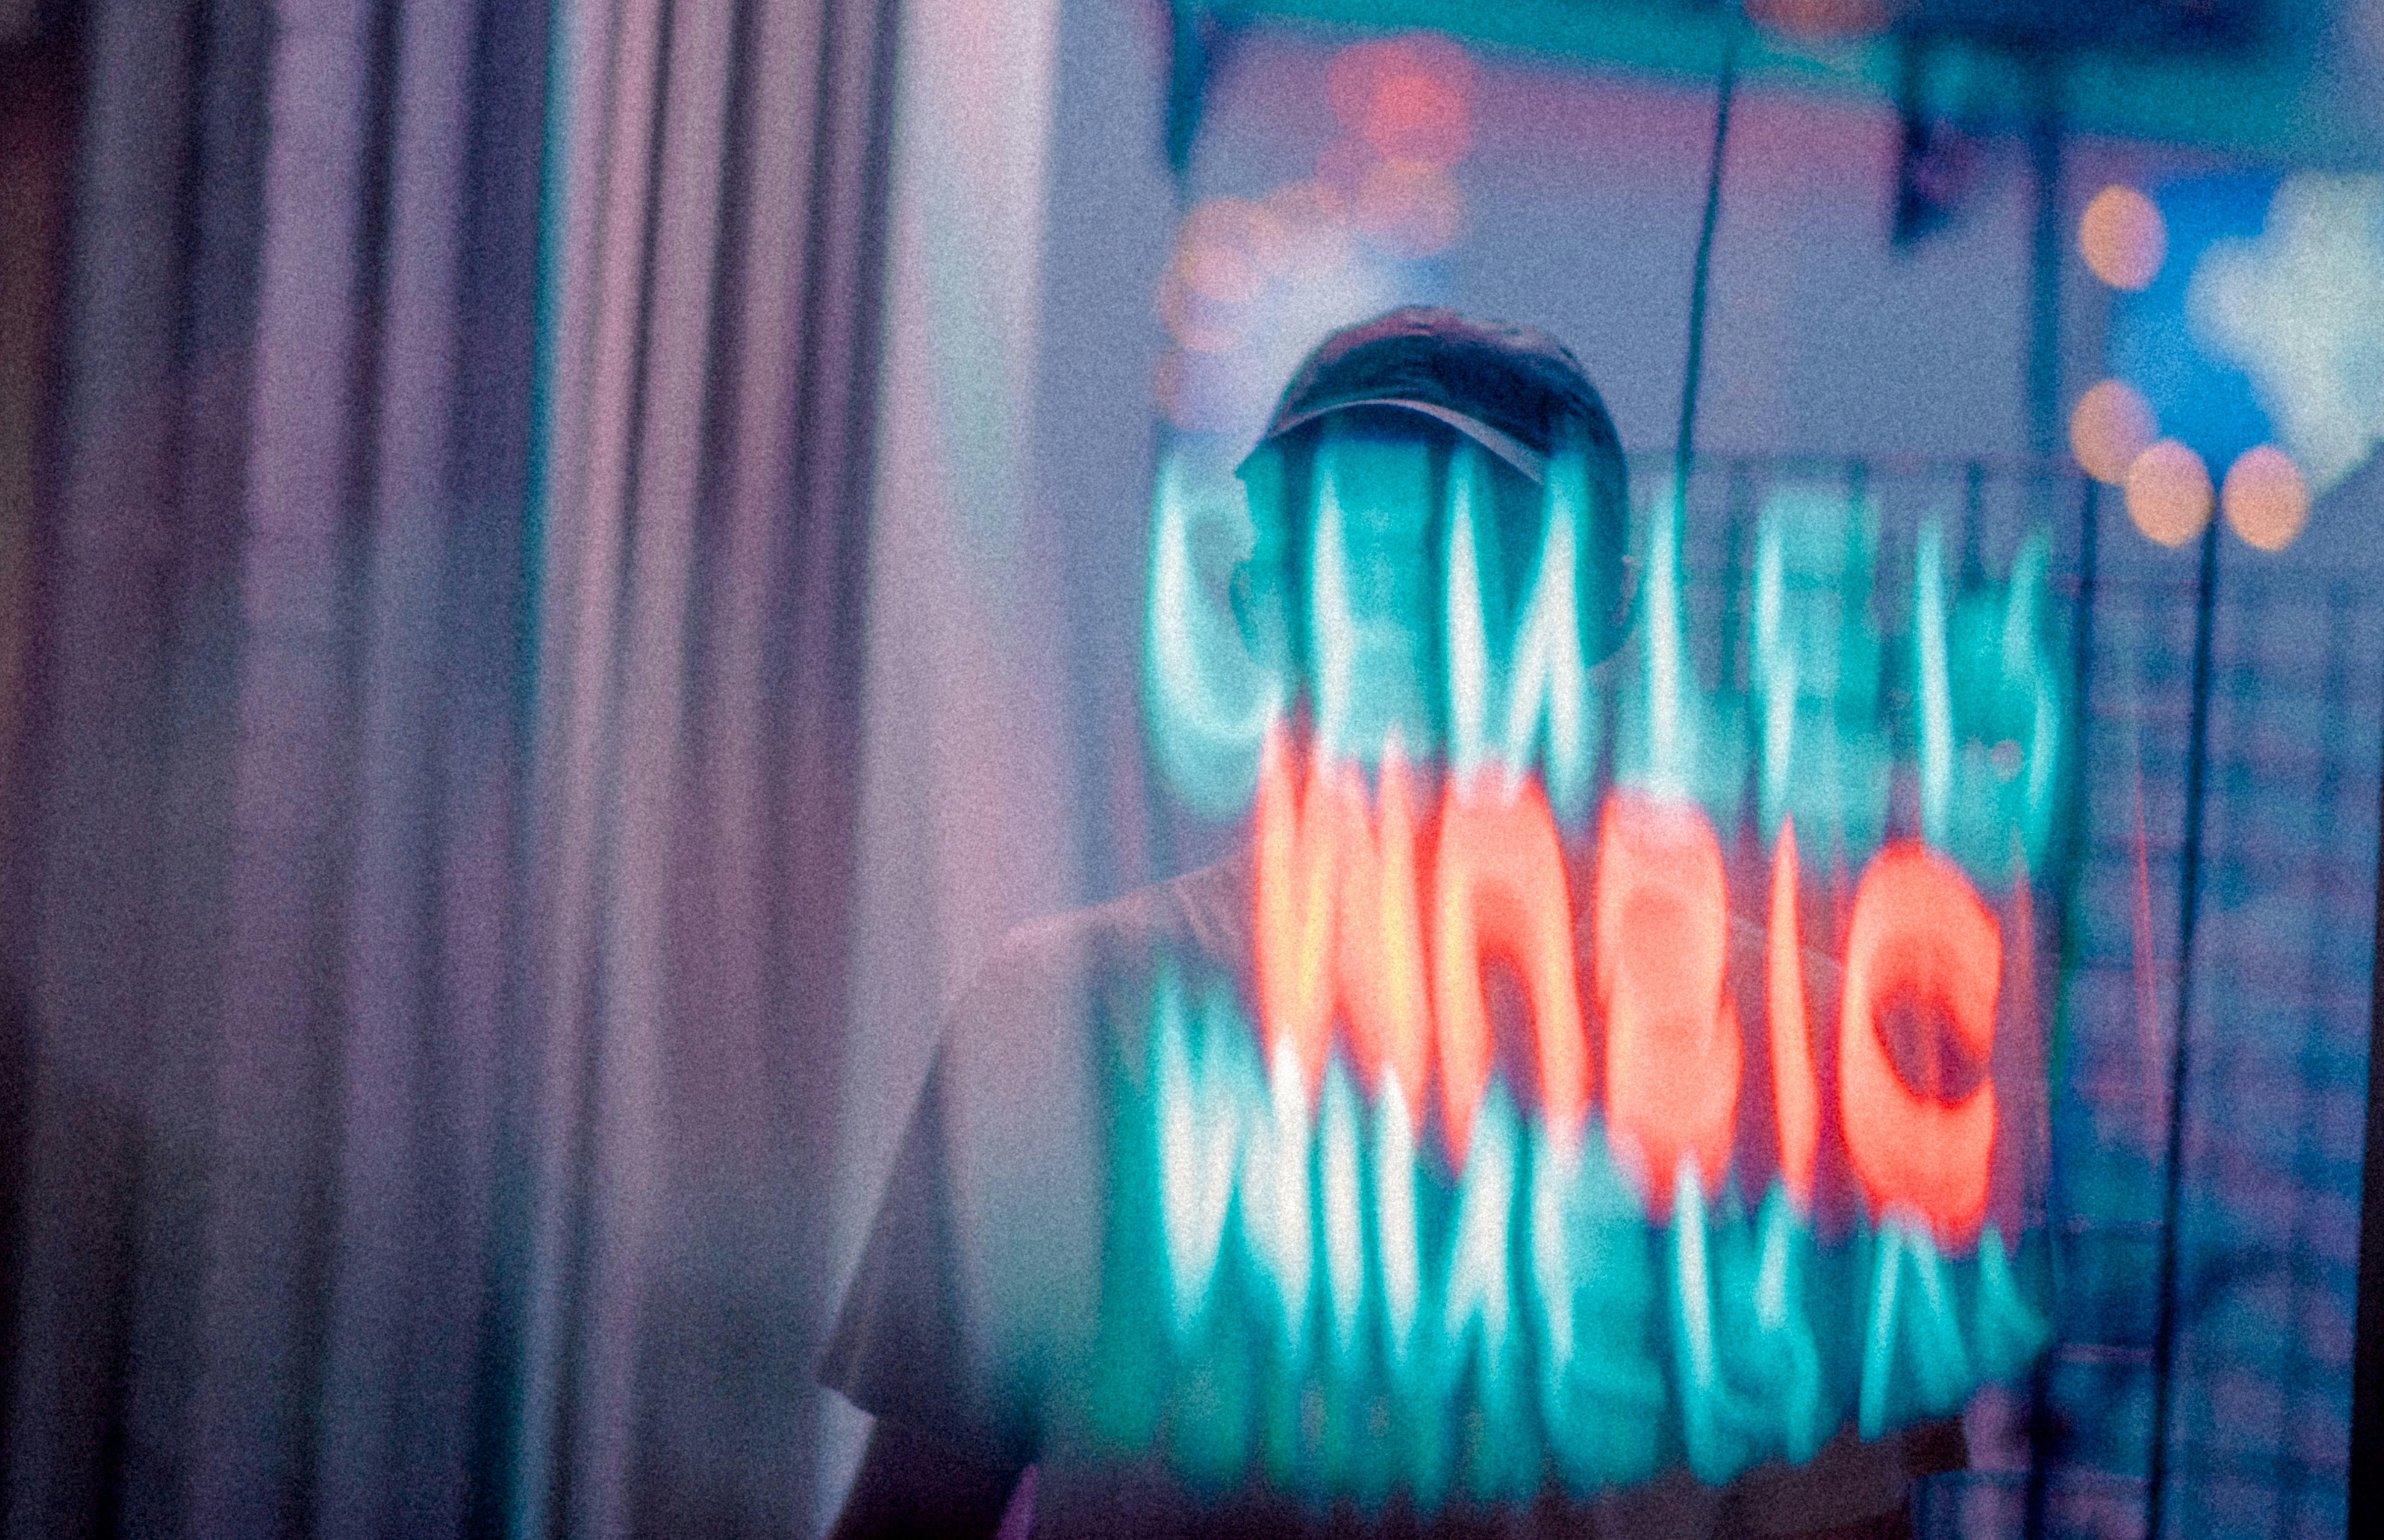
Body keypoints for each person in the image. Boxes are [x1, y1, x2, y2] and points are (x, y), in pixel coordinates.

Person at [823, 309, 1972, 1539]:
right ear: (1261, 602)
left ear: (1601, 610)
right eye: (1338, 554)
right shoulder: (1064, 1018)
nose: (1383, 615)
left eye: (1461, 557)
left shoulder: (1794, 1065)